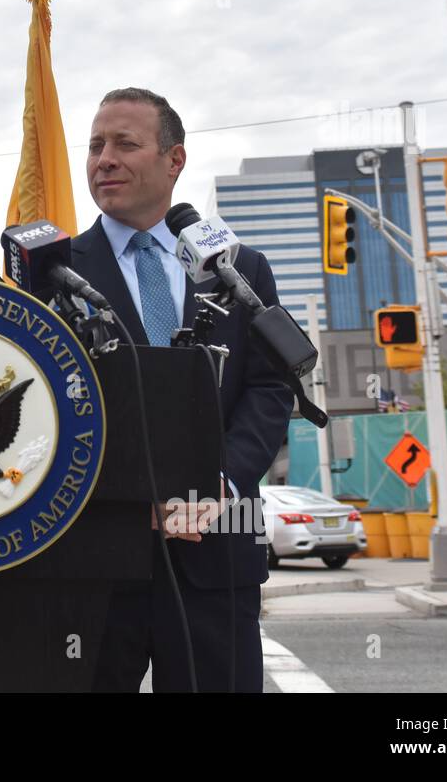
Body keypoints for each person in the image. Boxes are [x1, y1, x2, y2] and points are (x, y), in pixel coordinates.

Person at [69, 87, 293, 692]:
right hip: (93, 561)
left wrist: (223, 483)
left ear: (175, 161)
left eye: (124, 143)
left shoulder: (240, 268)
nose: (103, 159)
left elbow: (272, 387)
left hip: (214, 554)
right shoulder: (56, 271)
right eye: (94, 146)